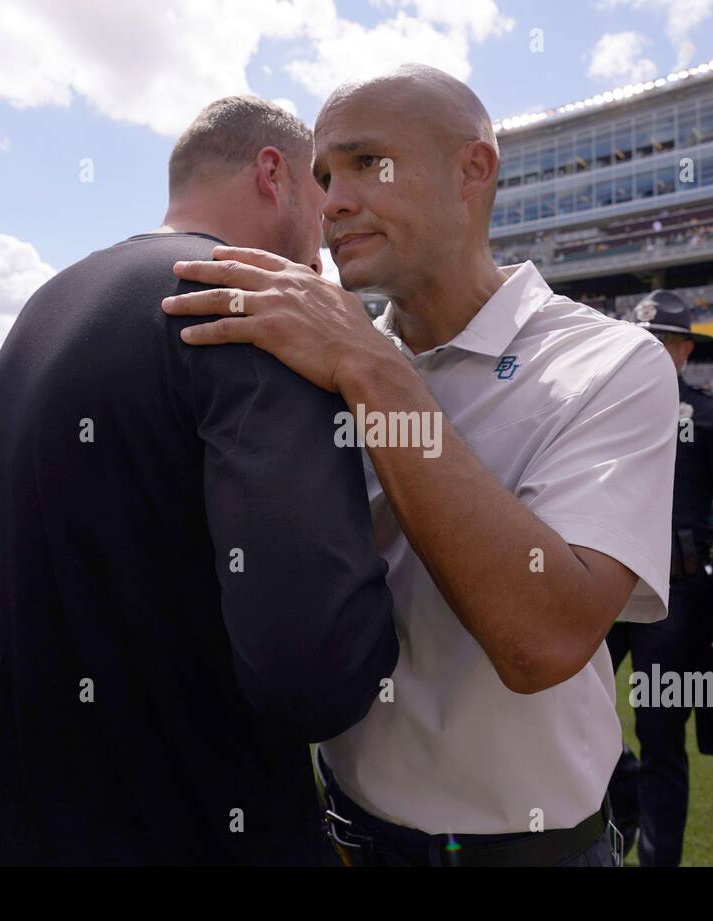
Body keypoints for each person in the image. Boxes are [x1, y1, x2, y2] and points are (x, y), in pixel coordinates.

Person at [164, 64, 676, 866]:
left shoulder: (611, 362)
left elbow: (543, 640)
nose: (331, 200)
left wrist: (374, 372)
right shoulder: (315, 358)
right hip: (336, 834)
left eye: (368, 163)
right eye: (324, 174)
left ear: (474, 170)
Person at [0, 97, 398, 866]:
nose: (330, 232)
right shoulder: (252, 310)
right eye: (320, 187)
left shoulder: (45, 306)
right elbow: (316, 675)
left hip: (2, 823)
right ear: (273, 174)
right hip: (190, 827)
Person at [604, 290, 713, 866]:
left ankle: (658, 860)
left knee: (660, 738)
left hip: (673, 599)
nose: (649, 349)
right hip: (594, 588)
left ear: (684, 349)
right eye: (641, 338)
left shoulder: (712, 417)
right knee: (564, 714)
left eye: (662, 341)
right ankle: (617, 815)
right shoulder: (593, 406)